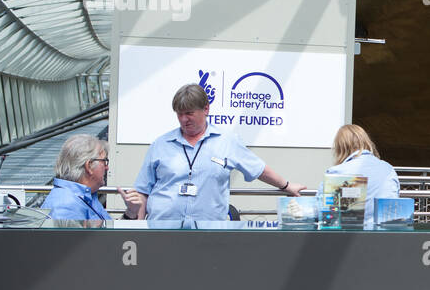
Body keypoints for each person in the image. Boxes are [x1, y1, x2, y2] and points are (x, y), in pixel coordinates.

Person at [120, 83, 304, 225]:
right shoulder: (160, 144)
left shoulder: (227, 141)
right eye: (179, 114)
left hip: (208, 232)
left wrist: (286, 185)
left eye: (189, 113)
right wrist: (139, 228)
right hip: (162, 229)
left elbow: (259, 168)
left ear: (206, 109)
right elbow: (143, 191)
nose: (184, 119)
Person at [324, 124, 399, 229]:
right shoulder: (388, 169)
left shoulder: (337, 172)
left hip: (347, 238)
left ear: (340, 148)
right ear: (366, 142)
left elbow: (324, 209)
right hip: (383, 233)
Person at [41, 134, 111, 221]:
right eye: (104, 161)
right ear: (89, 166)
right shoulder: (65, 207)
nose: (107, 167)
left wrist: (129, 214)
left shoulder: (86, 196)